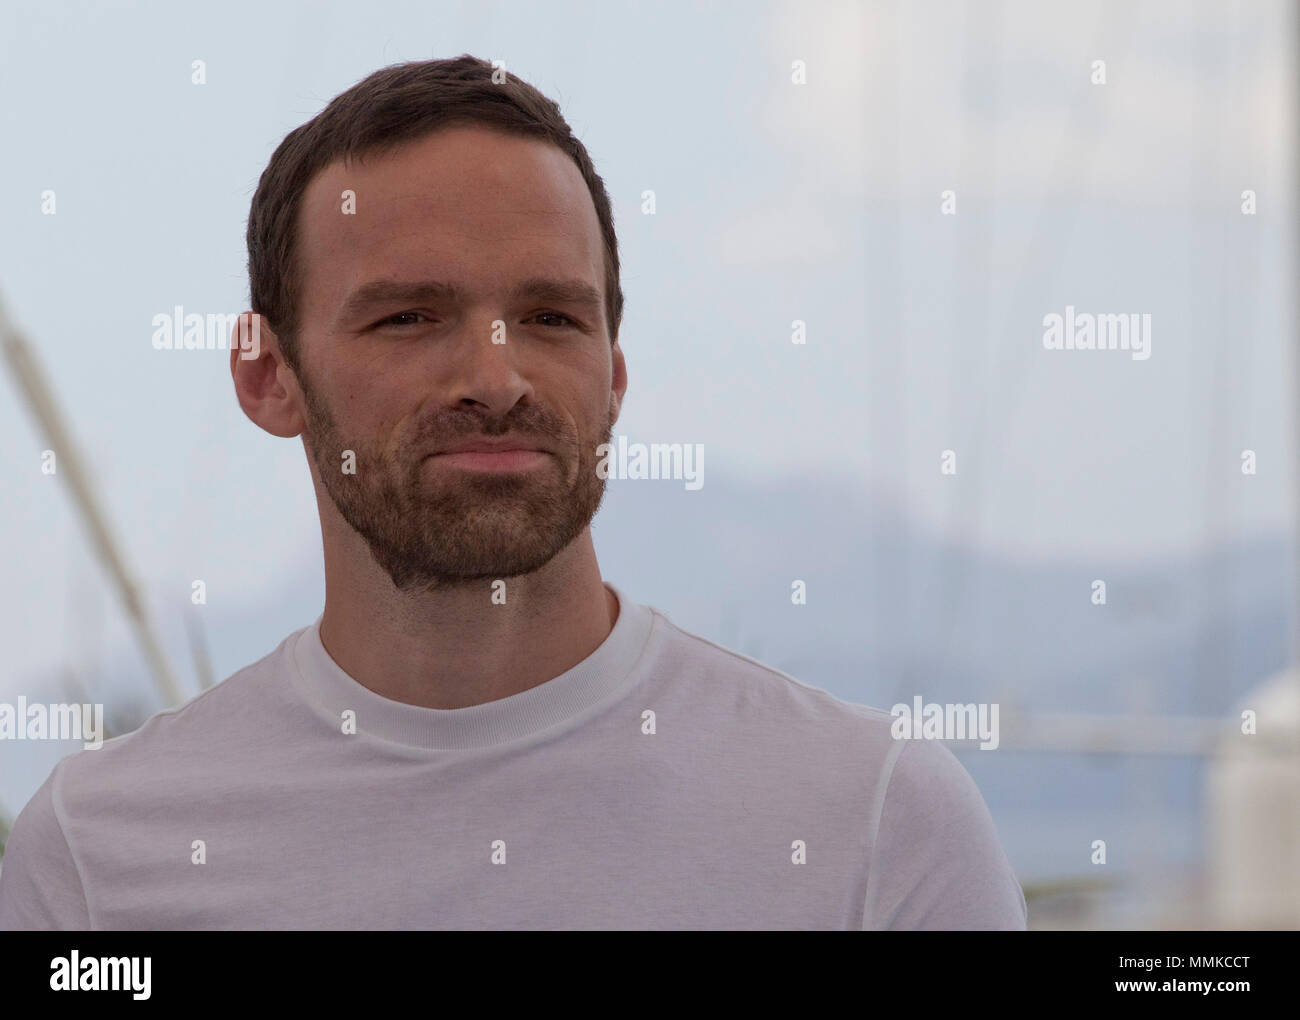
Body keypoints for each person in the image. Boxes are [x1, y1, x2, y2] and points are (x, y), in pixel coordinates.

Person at [0, 55, 1025, 930]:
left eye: (550, 318)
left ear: (614, 376)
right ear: (266, 377)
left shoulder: (878, 825)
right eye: (407, 318)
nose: (496, 380)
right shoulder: (97, 861)